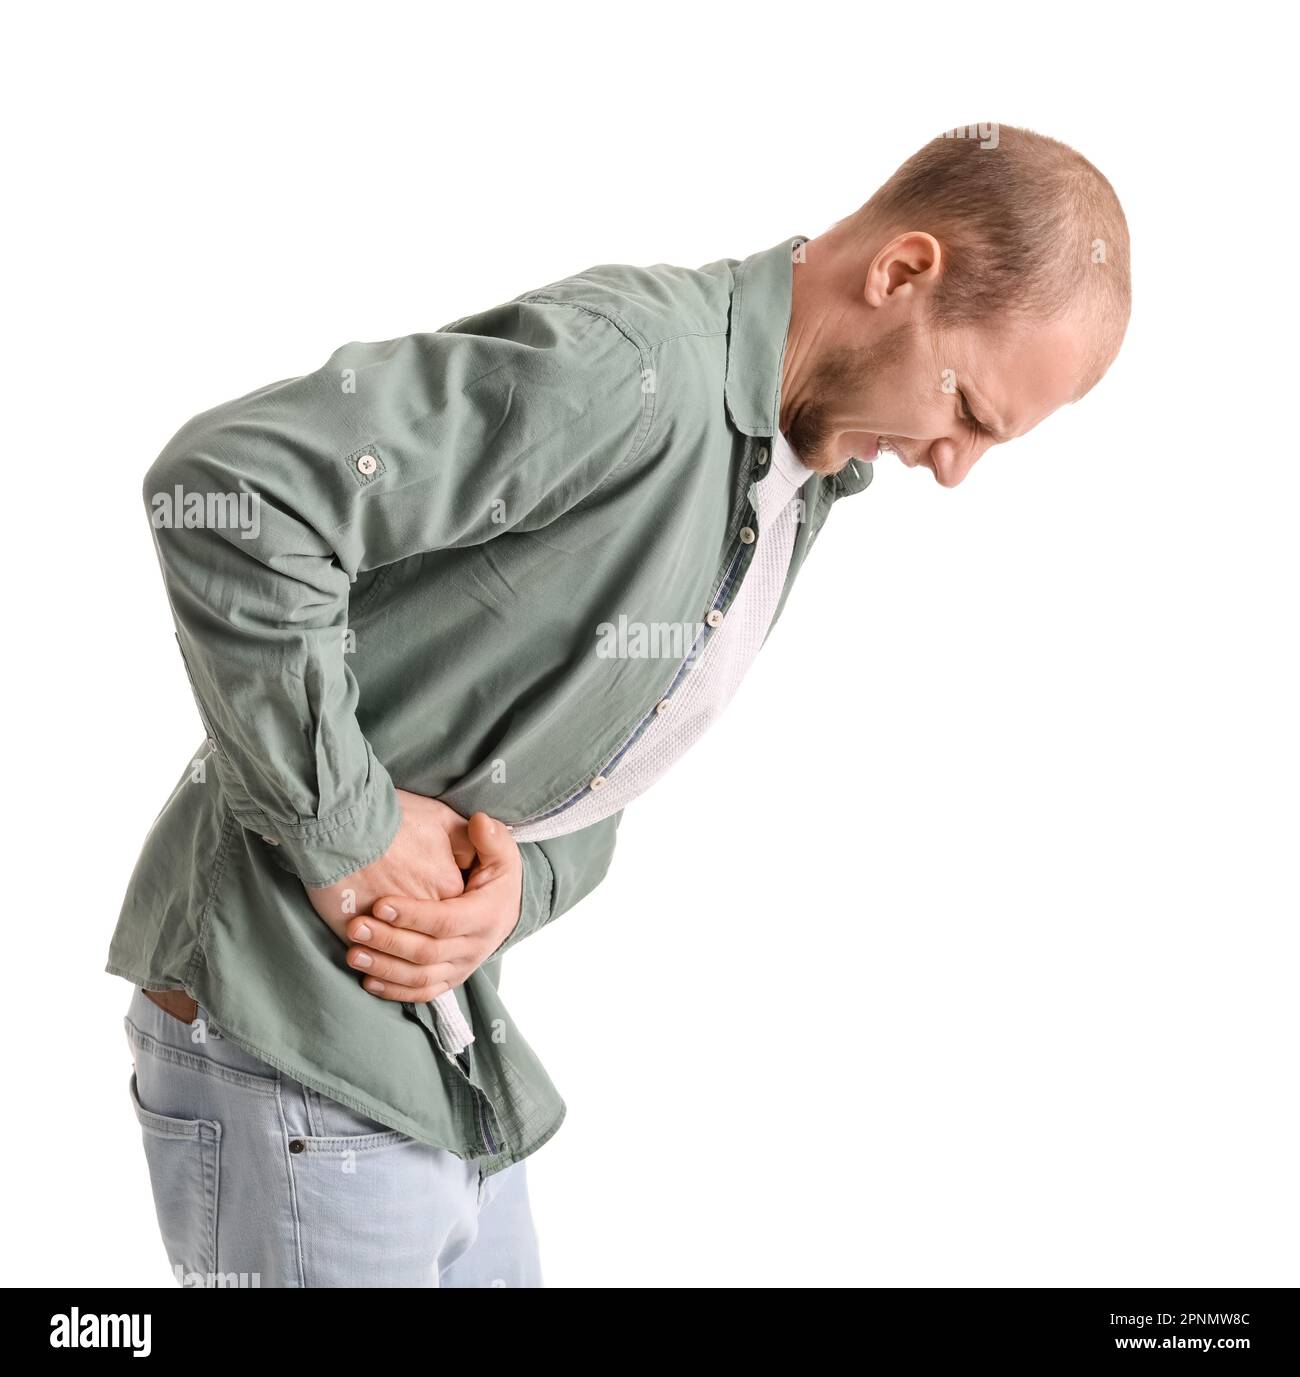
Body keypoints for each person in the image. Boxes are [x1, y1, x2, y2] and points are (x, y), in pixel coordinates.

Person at [110, 123, 1131, 1287]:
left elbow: (598, 751)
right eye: (972, 414)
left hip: (441, 1055)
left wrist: (517, 893)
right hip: (286, 1037)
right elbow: (228, 490)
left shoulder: (795, 480)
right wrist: (347, 832)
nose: (955, 467)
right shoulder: (630, 369)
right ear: (900, 273)